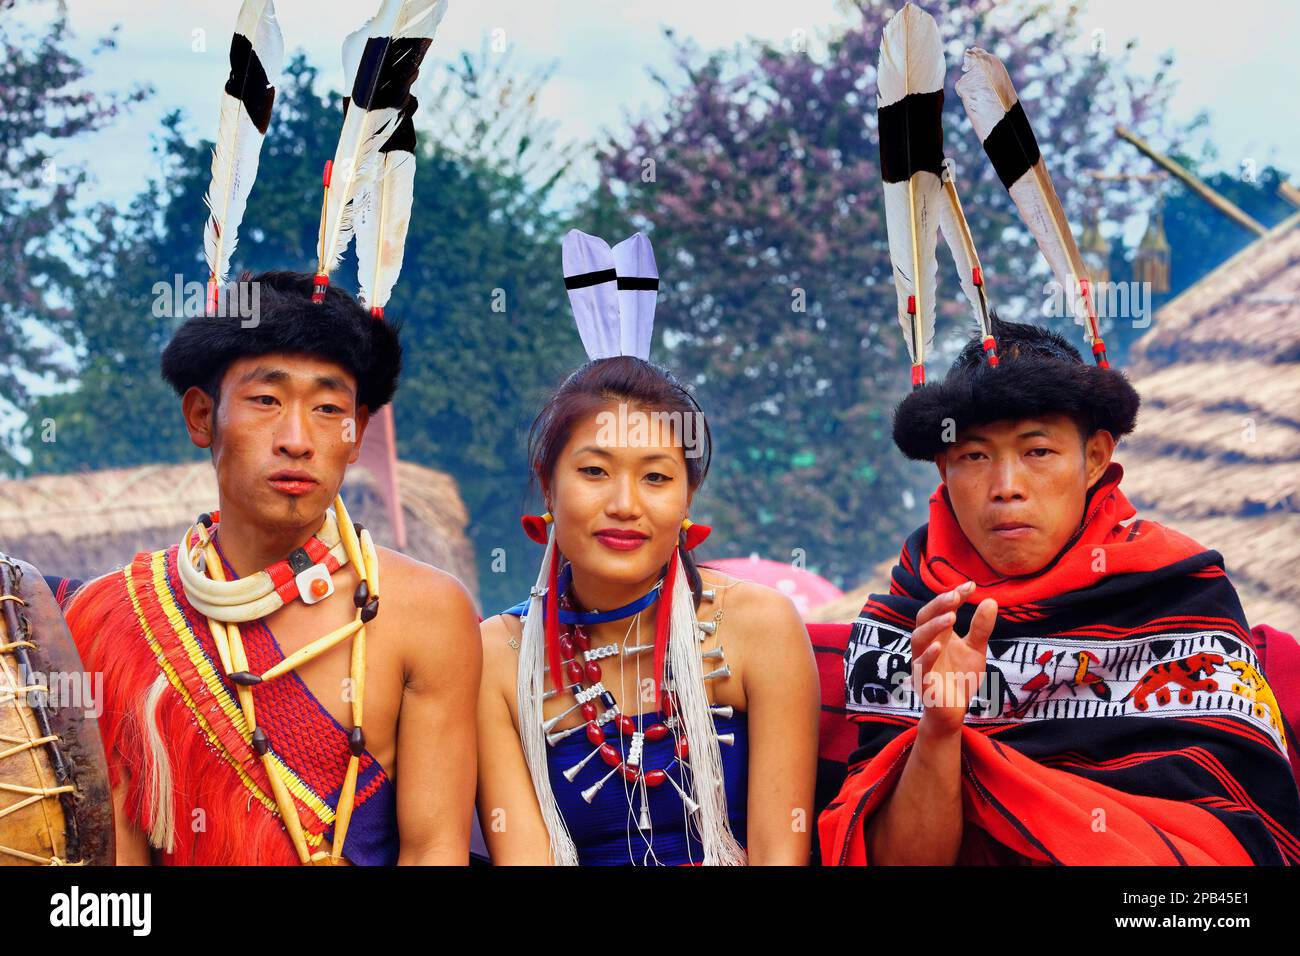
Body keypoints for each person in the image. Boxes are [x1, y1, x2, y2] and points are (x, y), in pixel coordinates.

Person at [66, 0, 479, 865]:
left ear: (357, 433)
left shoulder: (426, 613)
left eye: (330, 407)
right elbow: (118, 870)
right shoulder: (117, 615)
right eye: (265, 400)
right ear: (201, 417)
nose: (299, 436)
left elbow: (436, 849)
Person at [819, 317, 1300, 865]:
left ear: (1094, 458)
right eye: (974, 456)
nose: (1006, 488)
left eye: (1037, 452)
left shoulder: (1178, 592)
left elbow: (1227, 842)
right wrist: (940, 727)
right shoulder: (909, 625)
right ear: (943, 467)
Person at [476, 230, 819, 865]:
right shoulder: (498, 658)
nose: (626, 504)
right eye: (595, 471)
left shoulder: (757, 626)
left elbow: (780, 851)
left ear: (687, 501)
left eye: (656, 476)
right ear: (548, 487)